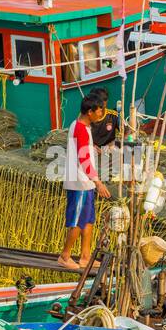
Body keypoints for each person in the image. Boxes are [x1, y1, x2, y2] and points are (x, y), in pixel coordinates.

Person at [58, 91, 111, 271]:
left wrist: (92, 147)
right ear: (90, 112)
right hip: (80, 182)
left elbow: (83, 148)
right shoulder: (80, 128)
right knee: (78, 221)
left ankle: (85, 256)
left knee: (88, 220)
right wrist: (98, 182)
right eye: (99, 110)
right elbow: (84, 159)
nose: (101, 113)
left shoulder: (81, 125)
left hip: (85, 182)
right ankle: (65, 256)